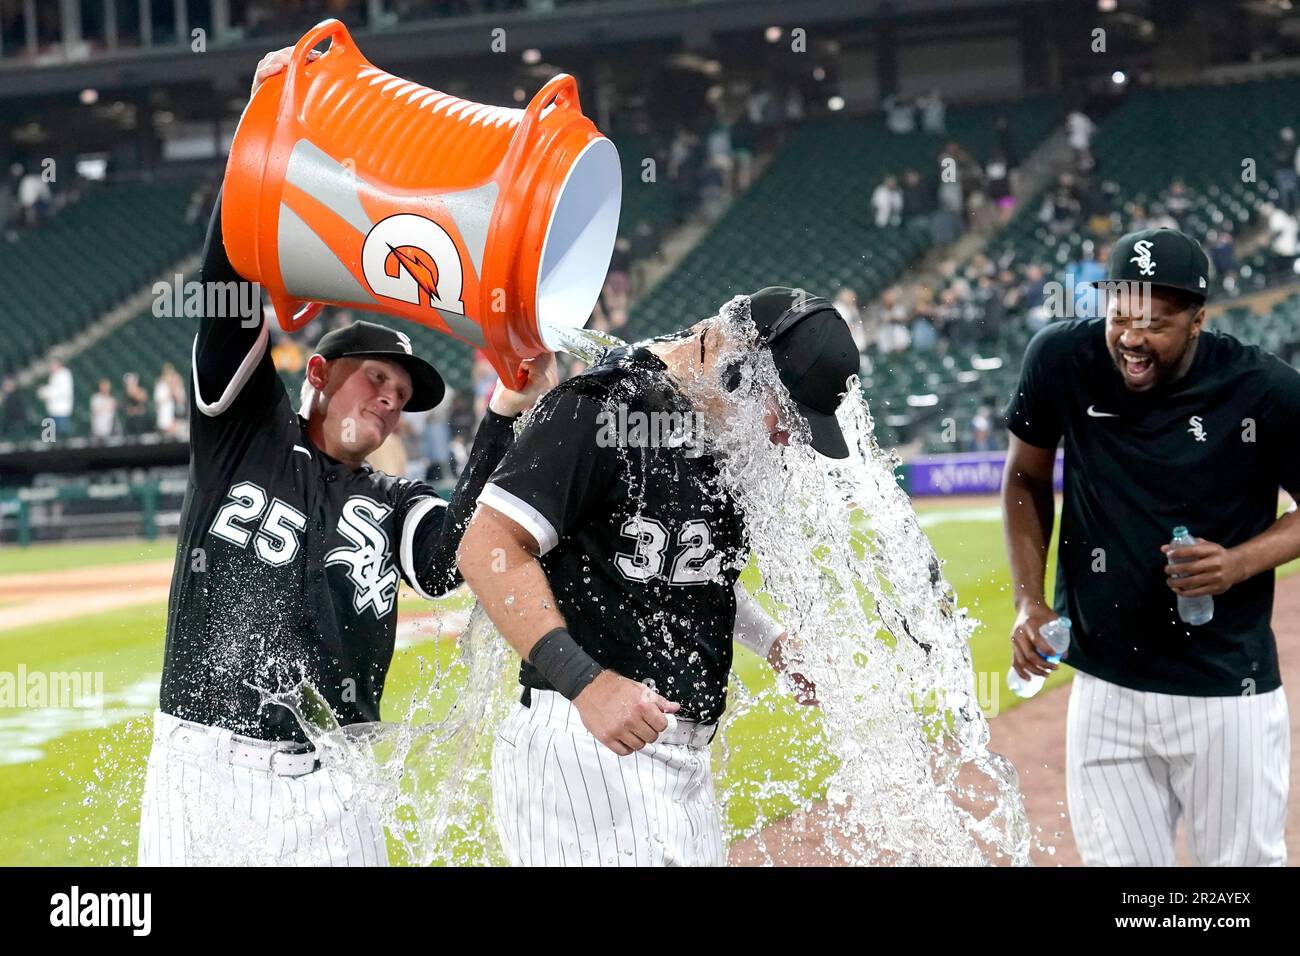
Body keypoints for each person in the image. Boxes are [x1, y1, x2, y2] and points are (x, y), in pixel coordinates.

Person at [136, 46, 557, 868]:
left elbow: (446, 563)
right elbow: (228, 304)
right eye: (376, 380)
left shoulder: (393, 499)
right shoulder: (244, 435)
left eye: (403, 394)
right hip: (203, 768)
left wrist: (506, 408)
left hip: (339, 781)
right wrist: (256, 151)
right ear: (321, 375)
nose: (391, 400)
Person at [458, 287, 855, 867]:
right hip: (585, 749)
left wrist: (773, 643)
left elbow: (688, 571)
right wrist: (586, 683)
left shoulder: (712, 429)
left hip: (676, 758)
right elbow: (486, 546)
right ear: (739, 367)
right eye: (786, 413)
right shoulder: (602, 407)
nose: (785, 436)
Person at [1001, 228, 1298, 866]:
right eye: (1120, 316)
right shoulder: (1061, 359)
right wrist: (1029, 602)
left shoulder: (1263, 388)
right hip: (1105, 686)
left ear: (1197, 319)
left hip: (1226, 691)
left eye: (1156, 324)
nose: (1132, 338)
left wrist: (1237, 562)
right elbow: (1025, 476)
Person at [36, 359, 73, 438]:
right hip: (53, 409)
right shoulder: (54, 375)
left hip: (61, 409)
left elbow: (60, 391)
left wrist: (45, 392)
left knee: (62, 434)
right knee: (51, 436)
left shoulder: (63, 375)